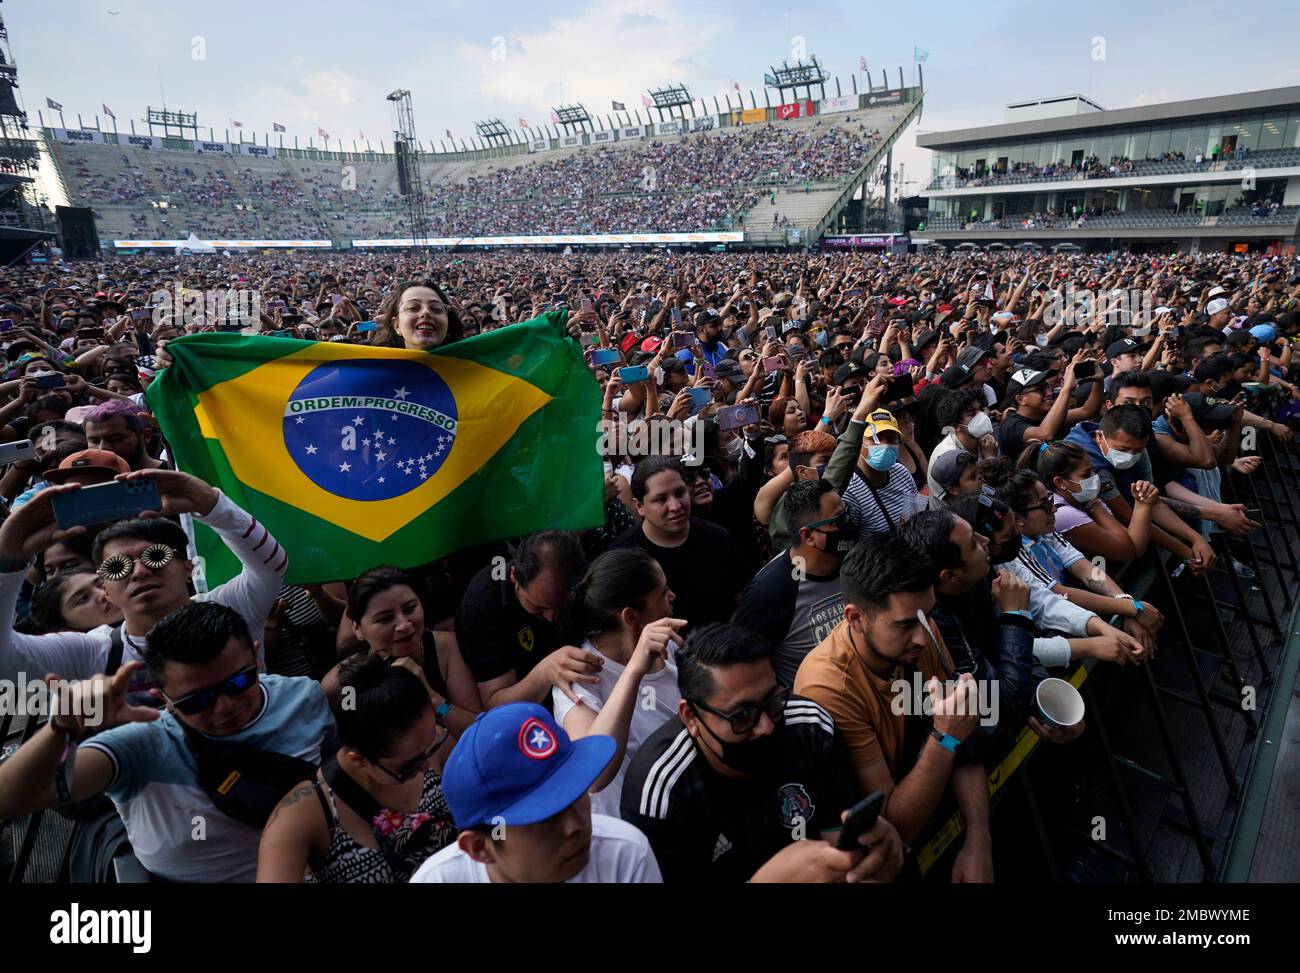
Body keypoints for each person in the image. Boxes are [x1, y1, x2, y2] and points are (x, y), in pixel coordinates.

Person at [0, 602, 334, 882]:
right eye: (197, 701)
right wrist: (61, 728)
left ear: (256, 655)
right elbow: (9, 799)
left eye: (239, 681)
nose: (225, 707)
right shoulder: (143, 743)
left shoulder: (302, 696)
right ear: (164, 698)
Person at [622, 622, 903, 883]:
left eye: (773, 701)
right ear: (691, 717)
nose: (766, 726)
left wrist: (871, 858)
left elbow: (838, 837)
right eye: (742, 716)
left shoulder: (810, 729)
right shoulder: (662, 792)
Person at [794, 533, 993, 881]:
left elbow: (966, 737)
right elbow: (895, 827)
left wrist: (979, 841)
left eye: (927, 615)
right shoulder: (827, 688)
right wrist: (944, 735)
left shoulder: (919, 635)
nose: (922, 635)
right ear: (855, 618)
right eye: (904, 625)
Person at [0, 469, 287, 702]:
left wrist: (212, 505)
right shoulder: (91, 652)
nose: (138, 572)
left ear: (188, 568)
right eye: (117, 567)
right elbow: (5, 662)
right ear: (105, 587)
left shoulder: (228, 608)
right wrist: (8, 562)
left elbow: (270, 566)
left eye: (156, 557)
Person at [258, 653, 456, 883]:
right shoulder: (300, 817)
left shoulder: (431, 742)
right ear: (358, 759)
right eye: (409, 765)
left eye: (430, 745)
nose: (425, 767)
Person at [411, 702, 662, 883]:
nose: (576, 825)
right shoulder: (439, 879)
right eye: (546, 817)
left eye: (576, 795)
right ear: (480, 847)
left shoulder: (623, 853)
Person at [552, 548, 687, 818]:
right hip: (634, 826)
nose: (672, 596)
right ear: (630, 617)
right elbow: (594, 775)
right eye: (662, 593)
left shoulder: (667, 644)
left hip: (685, 807)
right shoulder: (579, 679)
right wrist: (635, 670)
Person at [323, 566, 481, 737]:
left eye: (410, 609)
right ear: (357, 629)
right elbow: (355, 747)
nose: (404, 625)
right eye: (385, 618)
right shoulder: (343, 684)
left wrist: (432, 698)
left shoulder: (446, 648)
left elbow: (479, 731)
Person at [454, 529, 593, 709]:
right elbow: (496, 705)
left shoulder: (588, 580)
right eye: (539, 607)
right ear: (514, 577)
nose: (551, 617)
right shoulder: (481, 606)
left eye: (561, 605)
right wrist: (545, 672)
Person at [733, 478, 851, 687]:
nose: (848, 524)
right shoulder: (769, 592)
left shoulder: (855, 563)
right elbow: (741, 666)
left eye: (847, 513)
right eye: (838, 521)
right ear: (809, 535)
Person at [612, 457, 749, 626]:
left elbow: (743, 601)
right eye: (661, 499)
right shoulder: (622, 559)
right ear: (639, 506)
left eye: (679, 493)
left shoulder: (718, 538)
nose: (675, 506)